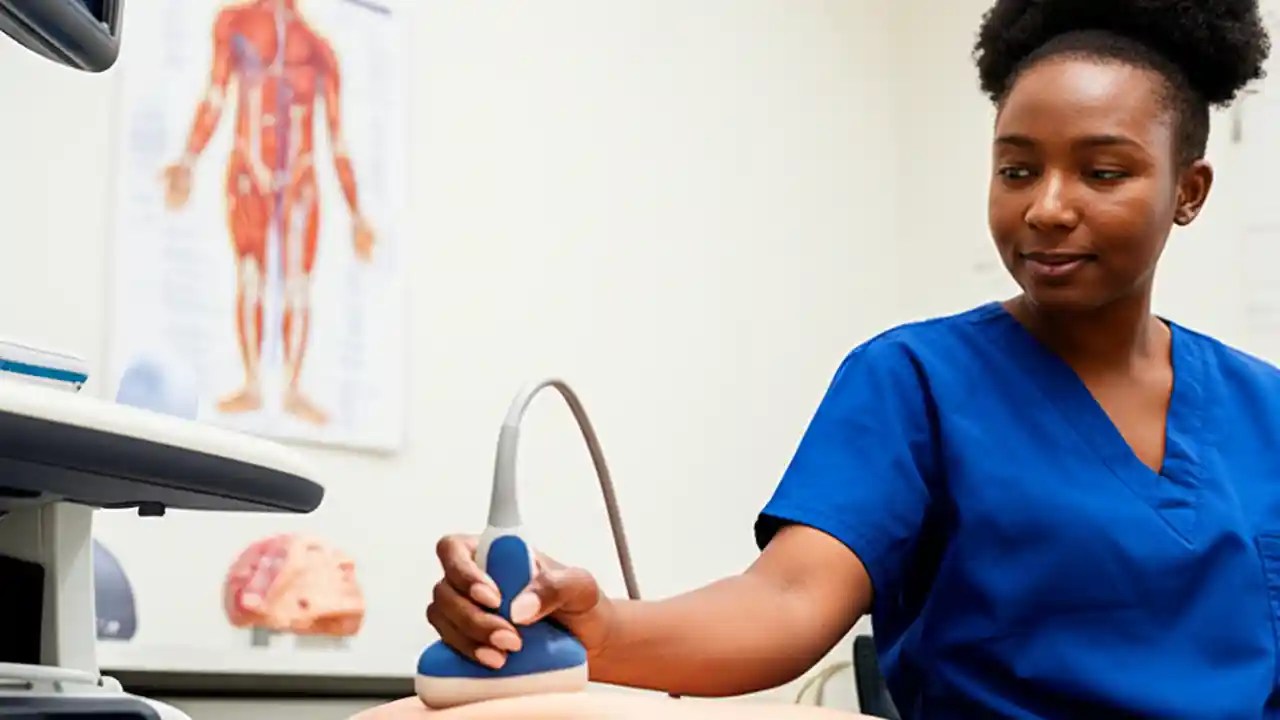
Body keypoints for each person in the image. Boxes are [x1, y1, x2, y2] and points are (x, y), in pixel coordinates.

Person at [375, 0, 1279, 717]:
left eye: (1103, 172)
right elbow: (783, 605)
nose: (1046, 206)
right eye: (1015, 169)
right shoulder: (916, 382)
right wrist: (594, 625)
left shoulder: (1263, 411)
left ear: (1188, 192)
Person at [162, 0, 375, 426]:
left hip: (299, 180)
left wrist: (357, 214)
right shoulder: (235, 24)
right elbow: (216, 95)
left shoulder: (318, 50)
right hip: (248, 173)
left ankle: (292, 388)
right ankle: (254, 383)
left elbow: (336, 137)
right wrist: (187, 160)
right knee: (250, 277)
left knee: (297, 285)